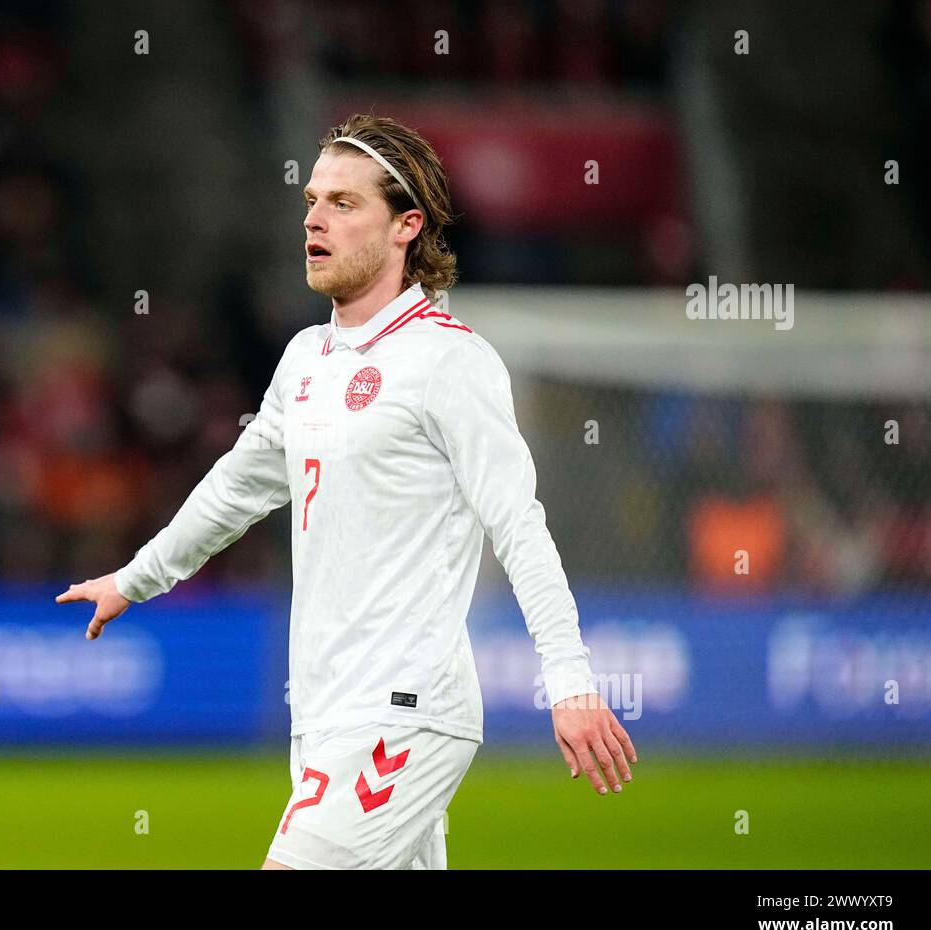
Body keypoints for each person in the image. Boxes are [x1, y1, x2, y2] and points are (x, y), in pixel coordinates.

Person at [56, 114, 637, 870]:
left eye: (342, 203)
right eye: (310, 200)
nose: (314, 220)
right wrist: (135, 578)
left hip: (404, 709)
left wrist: (569, 680)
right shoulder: (306, 359)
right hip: (325, 709)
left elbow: (517, 525)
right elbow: (236, 488)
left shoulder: (447, 362)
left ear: (407, 226)